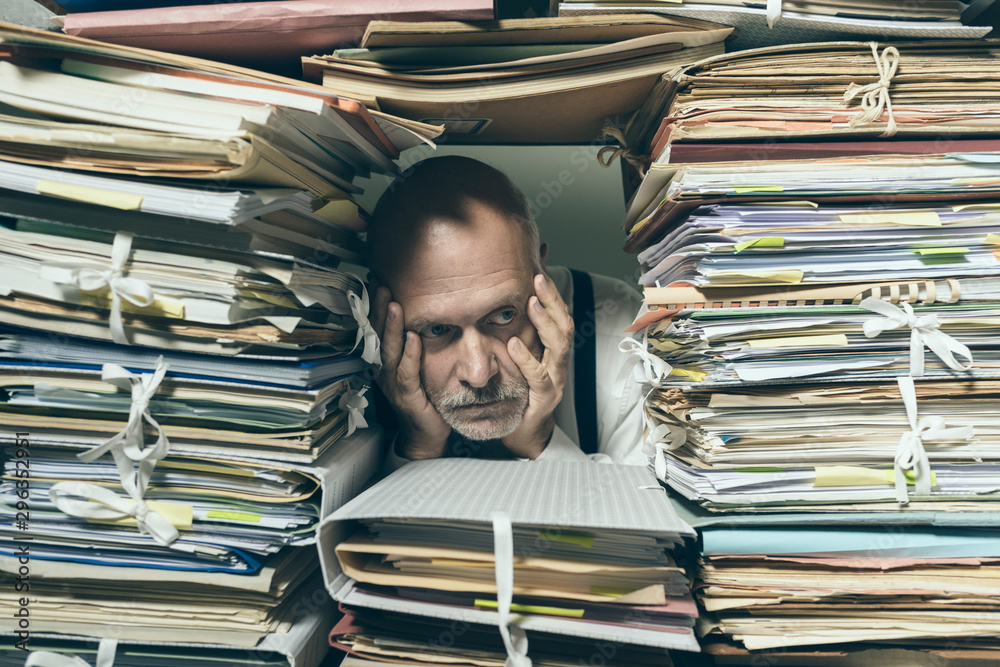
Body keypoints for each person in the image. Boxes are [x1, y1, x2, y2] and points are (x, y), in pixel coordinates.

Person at [367, 156, 645, 465]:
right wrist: (419, 447)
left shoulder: (618, 328)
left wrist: (540, 442)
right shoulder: (344, 373)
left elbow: (642, 507)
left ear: (541, 273)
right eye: (436, 330)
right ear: (379, 310)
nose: (479, 375)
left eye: (503, 315)